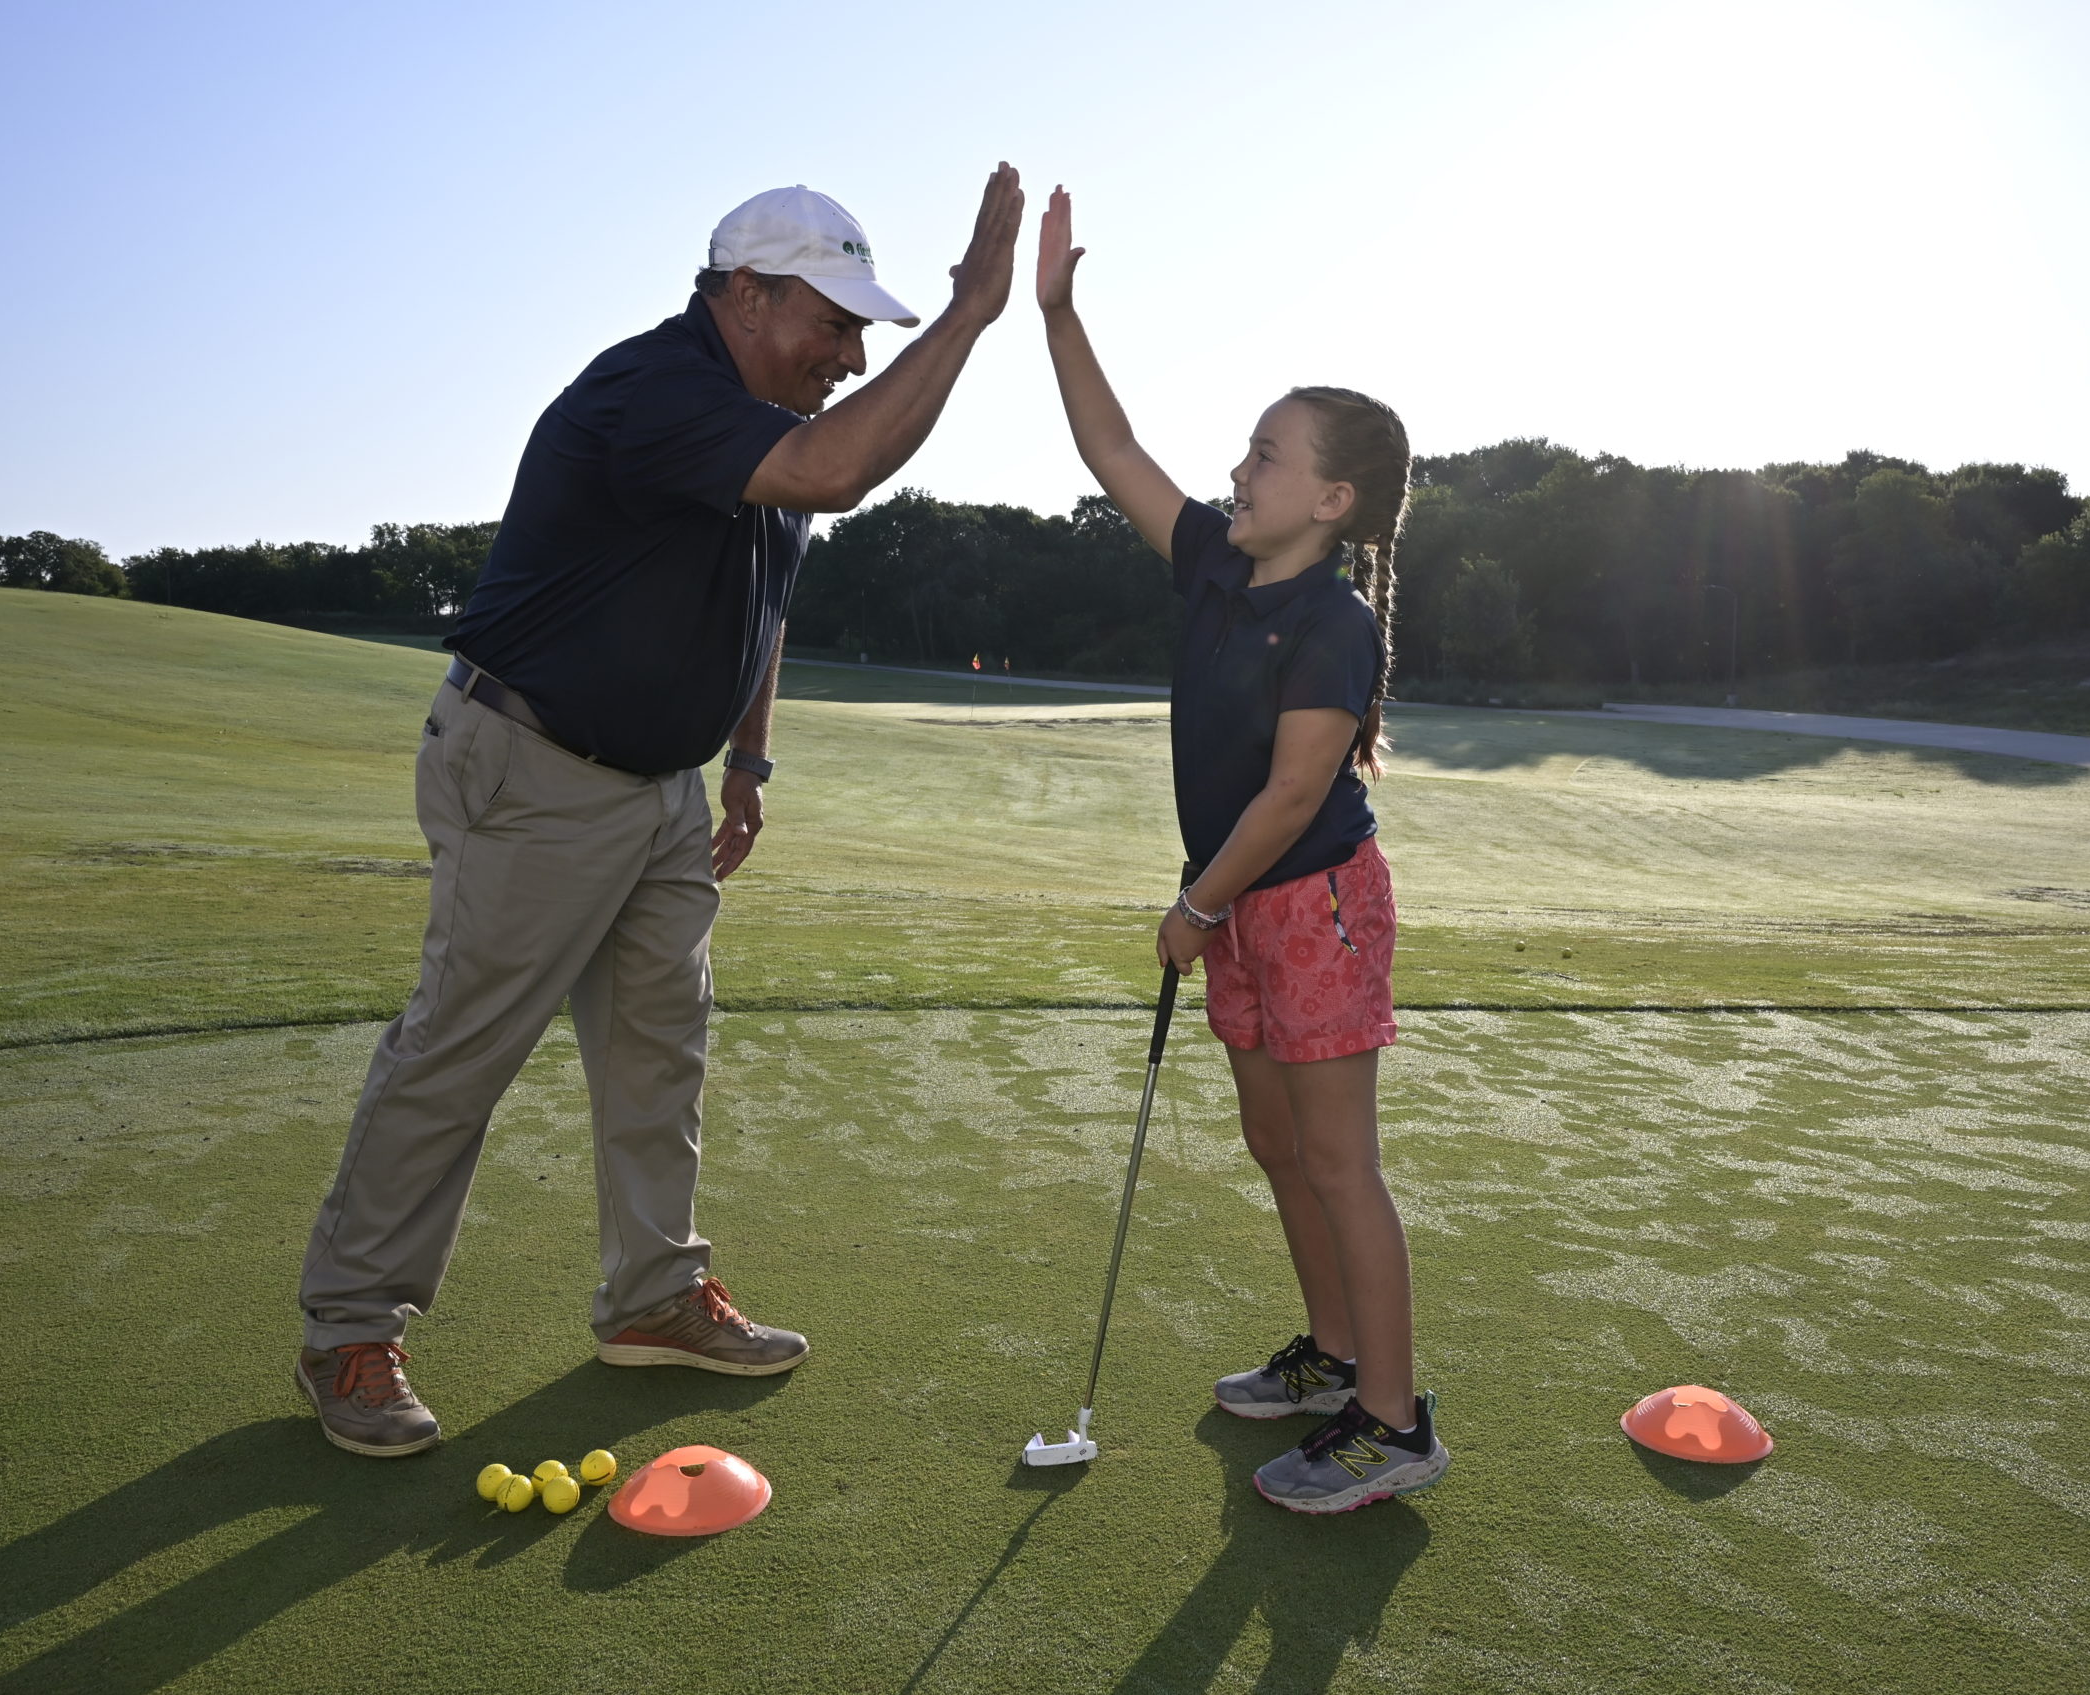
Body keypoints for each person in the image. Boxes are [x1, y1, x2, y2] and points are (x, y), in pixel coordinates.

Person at [294, 168, 1025, 1456]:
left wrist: (749, 762)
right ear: (745, 295)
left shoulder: (755, 416)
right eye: (835, 322)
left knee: (657, 1056)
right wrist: (970, 312)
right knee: (459, 1050)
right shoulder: (659, 389)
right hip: (535, 765)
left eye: (865, 331)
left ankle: (653, 1299)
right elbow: (839, 475)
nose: (850, 356)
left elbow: (768, 596)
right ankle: (350, 1331)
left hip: (662, 792)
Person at [1035, 186, 1446, 1513]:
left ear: (1330, 499)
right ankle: (1333, 1360)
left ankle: (1394, 1421)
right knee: (1278, 1145)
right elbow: (1112, 450)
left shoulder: (1333, 625)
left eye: (1267, 456)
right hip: (1246, 915)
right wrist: (1058, 311)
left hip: (1308, 905)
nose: (1238, 469)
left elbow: (1288, 796)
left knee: (1339, 1163)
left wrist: (1194, 908)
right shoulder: (1216, 566)